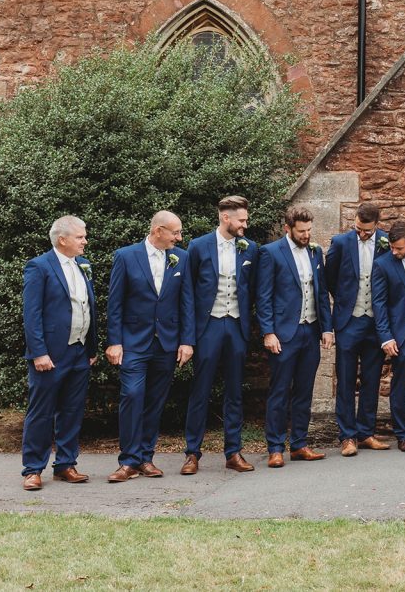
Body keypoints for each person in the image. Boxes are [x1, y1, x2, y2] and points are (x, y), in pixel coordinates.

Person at [106, 210, 195, 482]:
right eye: (175, 232)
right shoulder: (126, 256)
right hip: (134, 342)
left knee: (156, 401)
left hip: (166, 343)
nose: (179, 238)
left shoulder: (181, 257)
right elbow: (115, 303)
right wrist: (115, 342)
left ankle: (146, 457)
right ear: (158, 230)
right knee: (132, 395)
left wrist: (187, 341)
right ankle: (128, 460)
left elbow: (187, 301)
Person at [181, 195, 258, 475]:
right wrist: (188, 337)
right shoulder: (198, 247)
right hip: (209, 326)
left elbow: (255, 290)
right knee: (200, 391)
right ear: (226, 218)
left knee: (235, 392)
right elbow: (187, 294)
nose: (245, 225)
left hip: (236, 325)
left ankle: (233, 452)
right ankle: (192, 453)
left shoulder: (250, 249)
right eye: (241, 220)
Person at [20, 215, 98, 491]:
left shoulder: (82, 265)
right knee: (41, 412)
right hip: (50, 354)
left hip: (79, 351)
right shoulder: (39, 267)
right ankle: (32, 469)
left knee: (72, 410)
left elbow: (88, 307)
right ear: (62, 239)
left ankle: (65, 464)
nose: (85, 241)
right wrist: (38, 352)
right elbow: (32, 315)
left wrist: (91, 347)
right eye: (80, 237)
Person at [257, 206, 332, 467]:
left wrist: (327, 328)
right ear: (288, 228)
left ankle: (299, 444)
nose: (306, 235)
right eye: (302, 231)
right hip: (283, 333)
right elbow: (263, 296)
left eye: (309, 230)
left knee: (304, 391)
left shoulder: (315, 252)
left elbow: (321, 294)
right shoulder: (270, 252)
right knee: (279, 391)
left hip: (310, 331)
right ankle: (275, 447)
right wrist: (268, 332)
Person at [325, 203, 391, 456]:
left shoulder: (386, 242)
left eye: (367, 231)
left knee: (372, 380)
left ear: (376, 224)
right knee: (345, 379)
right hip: (348, 321)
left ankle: (366, 433)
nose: (362, 234)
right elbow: (330, 278)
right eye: (358, 229)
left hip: (375, 322)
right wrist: (344, 302)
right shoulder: (340, 243)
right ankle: (347, 437)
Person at [370, 220, 405, 452]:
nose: (394, 252)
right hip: (401, 333)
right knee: (400, 385)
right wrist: (386, 336)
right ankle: (403, 435)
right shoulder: (383, 264)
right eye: (392, 247)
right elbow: (379, 303)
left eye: (399, 248)